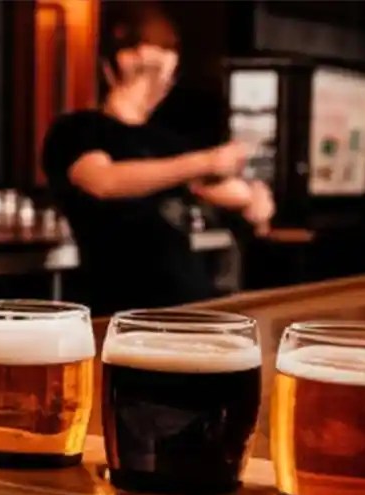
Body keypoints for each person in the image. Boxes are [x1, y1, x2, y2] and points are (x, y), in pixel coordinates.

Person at [43, 6, 275, 312]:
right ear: (110, 66)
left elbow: (228, 193)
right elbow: (103, 181)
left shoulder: (167, 142)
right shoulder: (77, 128)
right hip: (121, 311)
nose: (151, 81)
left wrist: (255, 199)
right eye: (143, 69)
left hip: (191, 307)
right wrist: (205, 162)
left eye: (160, 71)